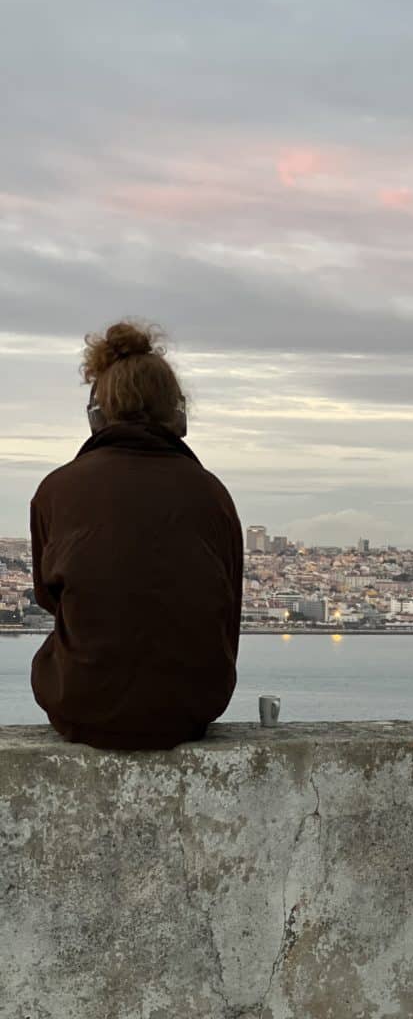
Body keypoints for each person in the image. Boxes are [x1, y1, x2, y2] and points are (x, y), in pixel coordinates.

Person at [29, 320, 243, 750]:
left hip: (82, 710)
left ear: (95, 414)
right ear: (178, 414)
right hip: (189, 712)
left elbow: (49, 597)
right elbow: (227, 608)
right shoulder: (212, 493)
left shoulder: (57, 490)